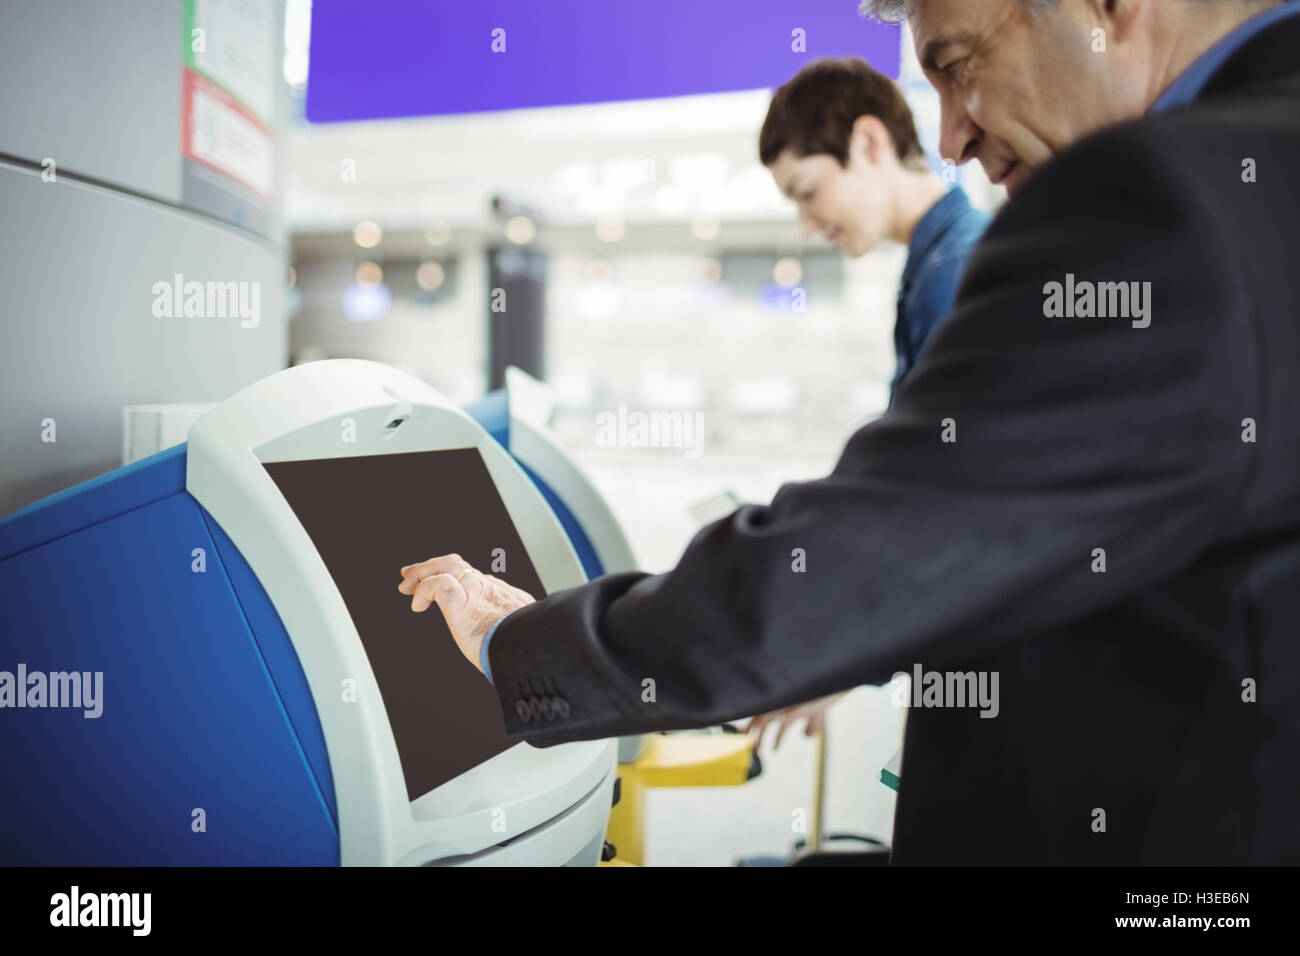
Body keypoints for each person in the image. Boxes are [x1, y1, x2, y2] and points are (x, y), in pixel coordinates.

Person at [400, 0, 1300, 864]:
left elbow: (897, 545)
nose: (950, 137)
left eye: (958, 65)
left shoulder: (1151, 204)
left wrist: (514, 641)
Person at [750, 56, 990, 747]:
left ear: (869, 143)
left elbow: (947, 509)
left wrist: (849, 652)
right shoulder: (934, 267)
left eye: (808, 190)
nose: (807, 222)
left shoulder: (957, 273)